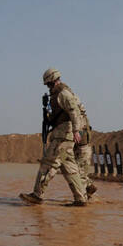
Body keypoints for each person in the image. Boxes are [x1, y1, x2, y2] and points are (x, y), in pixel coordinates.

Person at [21, 67, 89, 206]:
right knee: (69, 167)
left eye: (49, 84)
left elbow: (74, 111)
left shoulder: (63, 94)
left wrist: (77, 130)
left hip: (63, 136)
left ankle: (37, 195)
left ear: (53, 81)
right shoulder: (57, 94)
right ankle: (81, 199)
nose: (49, 87)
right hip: (63, 135)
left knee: (48, 163)